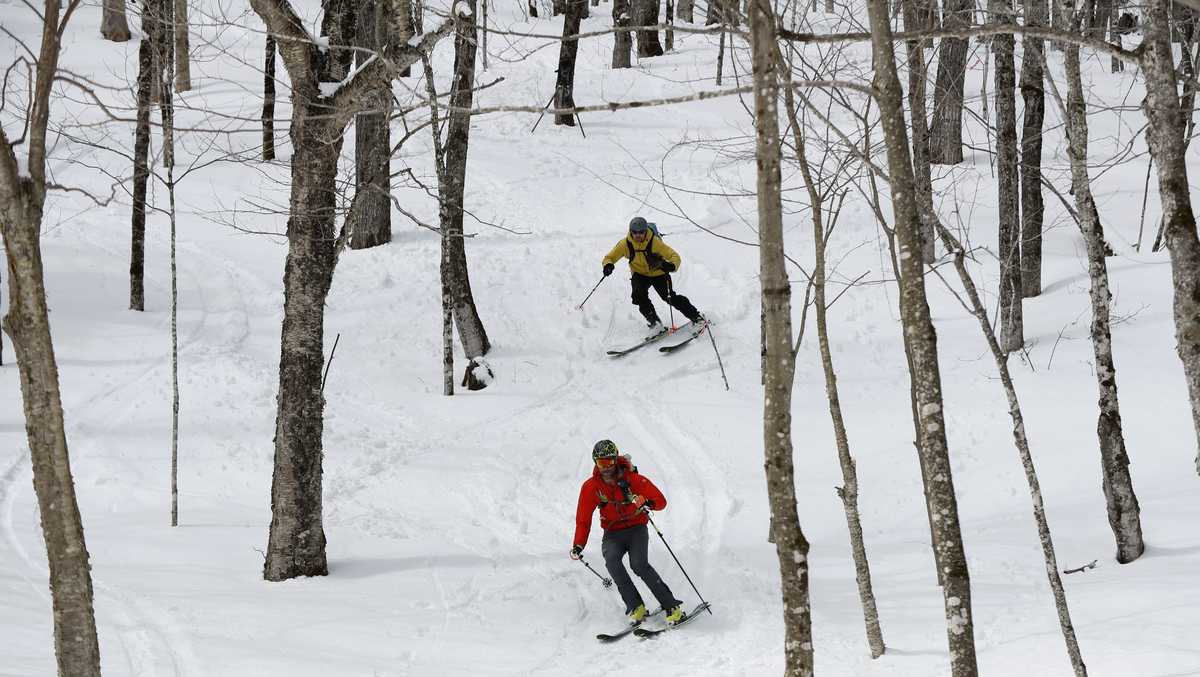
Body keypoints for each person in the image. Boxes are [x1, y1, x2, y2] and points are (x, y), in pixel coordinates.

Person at [570, 439, 687, 626]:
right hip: (612, 532)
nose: (606, 467)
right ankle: (636, 606)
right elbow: (583, 520)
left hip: (636, 529)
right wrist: (578, 544)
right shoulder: (591, 487)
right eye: (601, 463)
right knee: (612, 561)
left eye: (609, 462)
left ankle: (672, 607)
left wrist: (647, 502)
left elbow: (661, 501)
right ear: (595, 463)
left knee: (639, 565)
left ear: (616, 460)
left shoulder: (633, 480)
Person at [601, 216, 705, 336]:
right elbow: (609, 257)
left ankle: (697, 318)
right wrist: (608, 265)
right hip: (639, 274)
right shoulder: (625, 244)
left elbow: (675, 256)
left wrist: (670, 266)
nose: (638, 235)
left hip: (658, 274)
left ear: (645, 231)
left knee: (669, 297)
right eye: (635, 232)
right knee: (639, 296)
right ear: (631, 231)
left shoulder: (655, 242)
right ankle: (655, 324)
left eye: (641, 232)